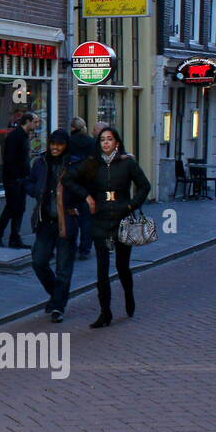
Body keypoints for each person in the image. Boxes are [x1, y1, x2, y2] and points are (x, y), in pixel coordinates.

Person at [72, 127, 151, 328]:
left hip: (122, 220)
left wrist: (132, 205)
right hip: (101, 221)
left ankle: (128, 296)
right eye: (102, 140)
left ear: (116, 142)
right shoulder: (93, 164)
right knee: (102, 270)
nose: (106, 143)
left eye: (110, 139)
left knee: (122, 266)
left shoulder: (127, 163)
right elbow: (69, 178)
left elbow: (144, 186)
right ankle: (105, 313)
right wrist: (87, 197)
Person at [25, 130, 89, 322]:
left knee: (63, 267)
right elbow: (29, 182)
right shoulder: (40, 162)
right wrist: (35, 190)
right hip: (45, 220)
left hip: (66, 221)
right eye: (52, 143)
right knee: (38, 261)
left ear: (66, 145)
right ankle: (56, 295)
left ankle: (58, 307)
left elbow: (86, 190)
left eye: (59, 144)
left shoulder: (76, 165)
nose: (55, 147)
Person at [0, 112, 39, 249]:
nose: (37, 125)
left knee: (19, 208)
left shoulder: (23, 136)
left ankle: (14, 238)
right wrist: (17, 177)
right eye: (35, 122)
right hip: (14, 179)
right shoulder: (15, 137)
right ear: (28, 121)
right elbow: (10, 159)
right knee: (11, 208)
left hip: (21, 178)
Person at [67, 117, 97, 260]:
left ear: (72, 128)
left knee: (71, 217)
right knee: (86, 219)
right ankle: (85, 248)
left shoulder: (68, 142)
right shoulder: (92, 143)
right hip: (89, 186)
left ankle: (71, 246)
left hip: (72, 186)